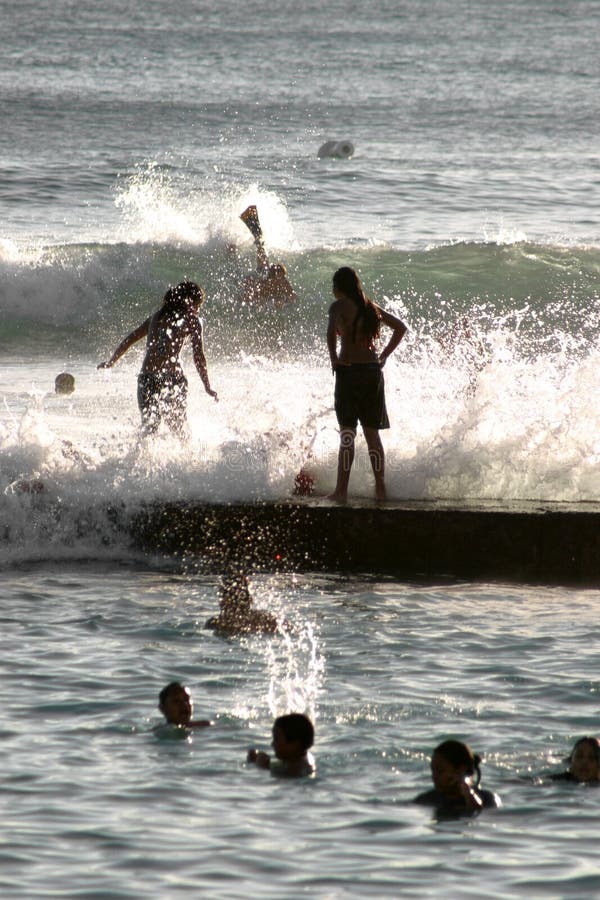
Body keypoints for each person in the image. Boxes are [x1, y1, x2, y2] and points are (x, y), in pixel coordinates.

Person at [326, 266, 407, 502]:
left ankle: (341, 491)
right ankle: (380, 489)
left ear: (338, 286)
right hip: (372, 373)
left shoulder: (338, 306)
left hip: (349, 372)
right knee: (372, 435)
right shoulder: (371, 307)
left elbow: (330, 333)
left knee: (347, 434)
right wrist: (384, 355)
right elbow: (400, 327)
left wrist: (333, 358)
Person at [98, 281, 218, 438]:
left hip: (148, 378)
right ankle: (187, 452)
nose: (198, 310)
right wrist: (207, 385)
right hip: (172, 379)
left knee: (150, 426)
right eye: (197, 305)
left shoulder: (157, 317)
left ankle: (143, 454)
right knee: (177, 426)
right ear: (189, 302)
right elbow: (198, 356)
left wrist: (112, 361)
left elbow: (131, 338)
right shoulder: (193, 321)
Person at [414, 739, 501, 816]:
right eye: (433, 770)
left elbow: (478, 812)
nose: (434, 776)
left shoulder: (488, 798)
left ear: (461, 770)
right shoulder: (427, 799)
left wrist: (467, 790)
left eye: (440, 771)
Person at [239, 205, 297, 307]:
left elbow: (294, 298)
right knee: (263, 265)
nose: (283, 280)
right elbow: (247, 298)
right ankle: (257, 235)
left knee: (264, 264)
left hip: (262, 274)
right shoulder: (262, 284)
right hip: (256, 277)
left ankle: (257, 234)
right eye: (281, 277)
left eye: (283, 277)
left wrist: (283, 302)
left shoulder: (282, 283)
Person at [205, 572, 281, 635]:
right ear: (249, 598)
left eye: (221, 596)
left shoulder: (216, 623)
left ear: (226, 600)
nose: (220, 602)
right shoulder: (267, 619)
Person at [247, 713, 315, 777]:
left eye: (276, 739)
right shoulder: (305, 759)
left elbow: (285, 775)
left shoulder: (296, 769)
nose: (272, 744)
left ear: (295, 744)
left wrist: (262, 766)